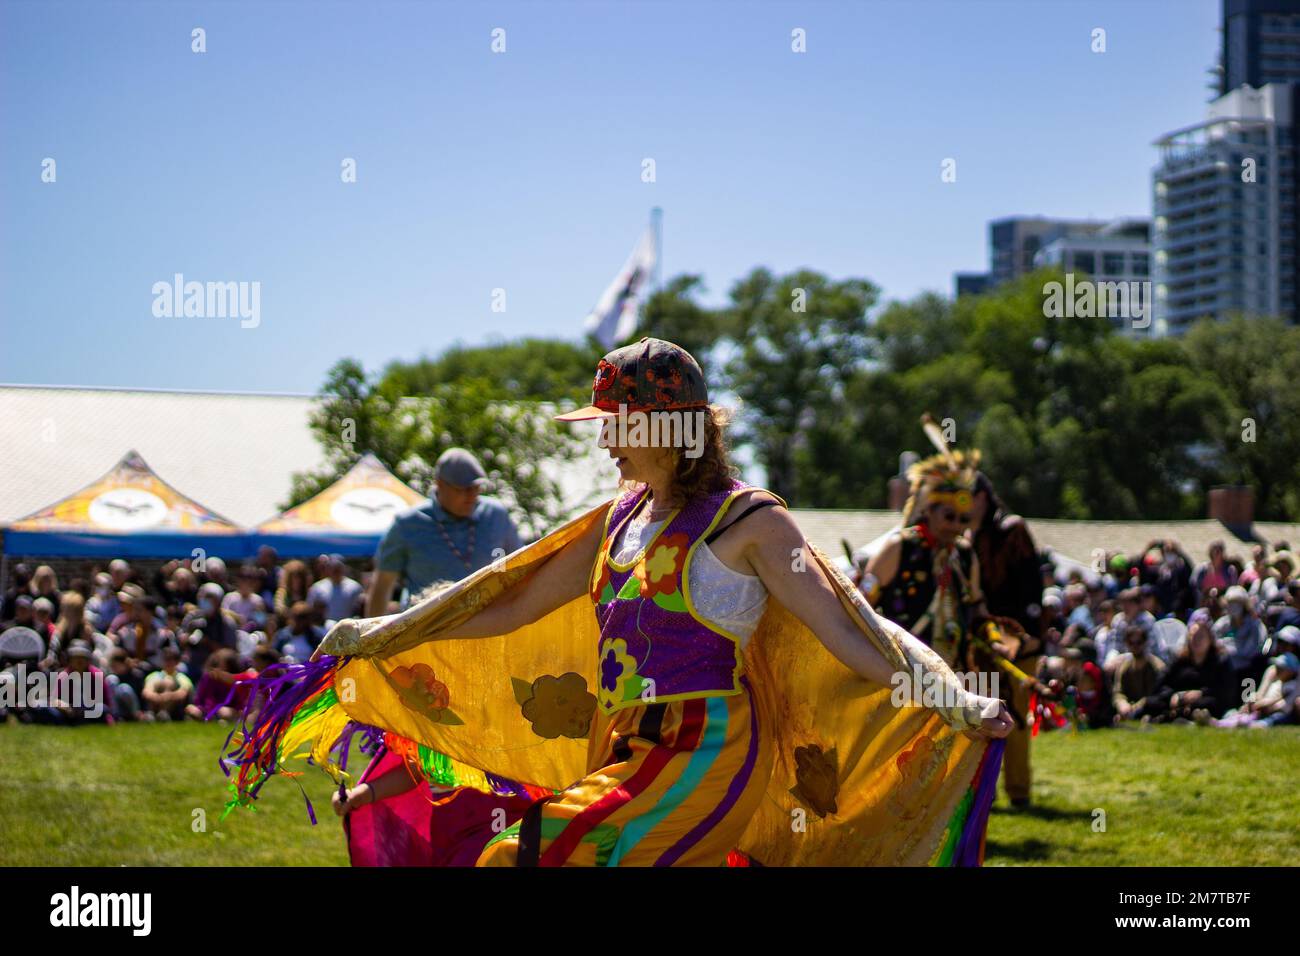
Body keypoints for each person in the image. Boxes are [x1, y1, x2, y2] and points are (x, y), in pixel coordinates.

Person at [232, 337, 1012, 868]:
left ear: (669, 426)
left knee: (522, 857)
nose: (606, 445)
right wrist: (385, 632)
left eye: (617, 425)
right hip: (625, 747)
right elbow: (506, 600)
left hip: (705, 754)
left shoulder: (752, 522)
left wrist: (948, 693)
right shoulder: (620, 519)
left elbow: (846, 623)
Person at [864, 428, 986, 671]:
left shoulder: (964, 555)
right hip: (900, 675)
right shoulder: (899, 547)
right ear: (928, 510)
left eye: (964, 519)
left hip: (953, 679)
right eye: (949, 516)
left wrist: (993, 638)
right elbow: (861, 606)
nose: (956, 526)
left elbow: (977, 607)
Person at [368, 448, 523, 617]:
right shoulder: (408, 524)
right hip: (427, 632)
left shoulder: (496, 515)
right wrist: (375, 640)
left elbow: (521, 570)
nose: (471, 496)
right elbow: (382, 586)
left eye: (476, 487)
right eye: (462, 489)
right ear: (440, 483)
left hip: (489, 626)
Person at [969, 470, 1044, 808]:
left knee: (1013, 714)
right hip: (982, 640)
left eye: (967, 497)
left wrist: (1021, 638)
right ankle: (985, 792)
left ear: (983, 497)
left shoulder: (1012, 529)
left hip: (1016, 636)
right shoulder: (965, 537)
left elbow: (1033, 588)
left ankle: (1019, 792)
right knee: (982, 715)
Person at [1111, 625, 1167, 722]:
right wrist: (1122, 703)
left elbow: (1159, 695)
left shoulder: (1157, 667)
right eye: (1131, 643)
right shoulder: (1124, 667)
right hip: (1129, 708)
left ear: (1145, 643)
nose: (1135, 646)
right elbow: (1118, 692)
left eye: (1139, 642)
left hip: (1151, 707)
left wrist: (1137, 707)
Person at [308, 555, 364, 625]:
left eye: (338, 567)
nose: (335, 570)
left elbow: (360, 610)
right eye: (332, 568)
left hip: (348, 627)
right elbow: (311, 608)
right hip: (325, 628)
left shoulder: (355, 587)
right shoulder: (317, 587)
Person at [142, 647, 193, 721]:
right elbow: (146, 692)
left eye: (172, 660)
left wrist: (168, 696)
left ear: (177, 662)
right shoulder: (154, 676)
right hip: (155, 704)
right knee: (161, 682)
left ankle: (164, 713)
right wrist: (158, 697)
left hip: (174, 709)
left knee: (169, 682)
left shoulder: (182, 678)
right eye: (166, 659)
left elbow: (183, 693)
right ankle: (152, 714)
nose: (169, 663)